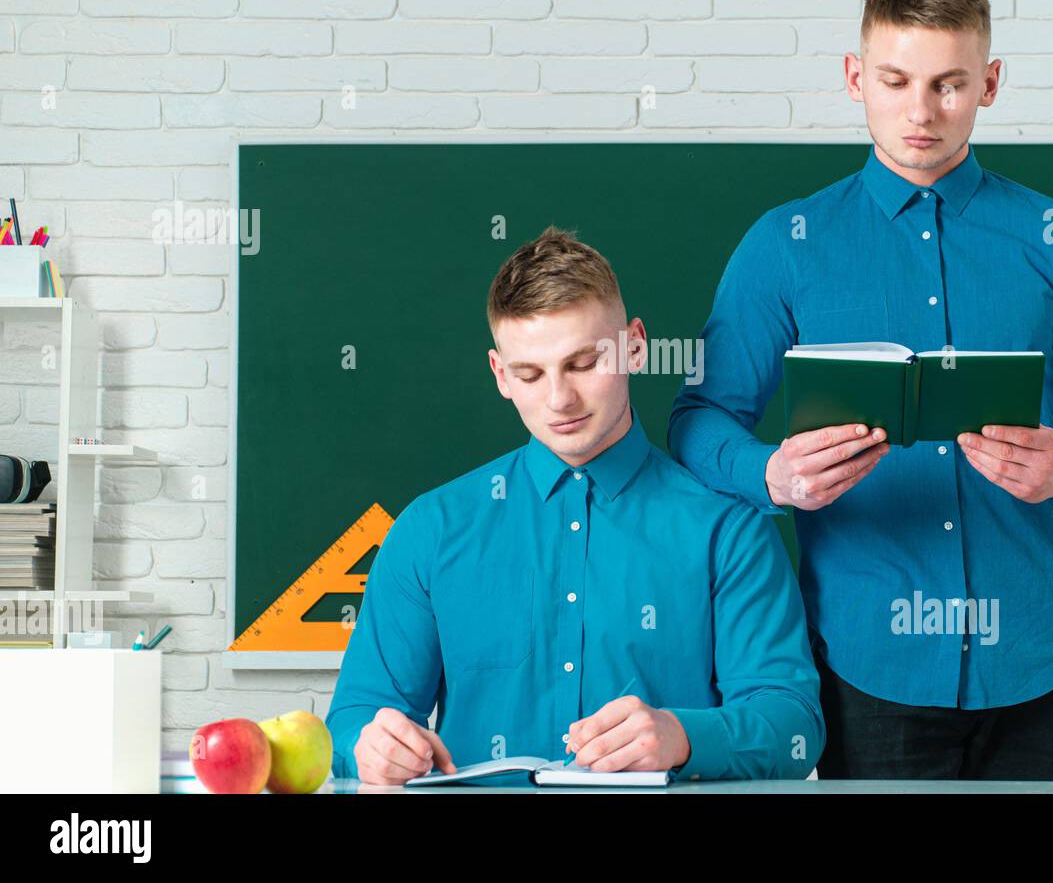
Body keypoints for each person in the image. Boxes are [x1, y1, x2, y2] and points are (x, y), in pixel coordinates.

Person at [668, 0, 1053, 781]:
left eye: (950, 84)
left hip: (1045, 663)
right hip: (863, 669)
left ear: (991, 83)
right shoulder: (782, 244)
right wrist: (772, 473)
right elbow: (696, 421)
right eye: (896, 80)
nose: (921, 111)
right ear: (854, 77)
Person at [326, 225, 825, 785]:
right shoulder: (431, 530)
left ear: (635, 345)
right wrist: (367, 746)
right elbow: (355, 718)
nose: (559, 399)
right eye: (529, 374)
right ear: (499, 375)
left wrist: (683, 738)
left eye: (583, 364)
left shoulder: (730, 530)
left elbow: (792, 726)